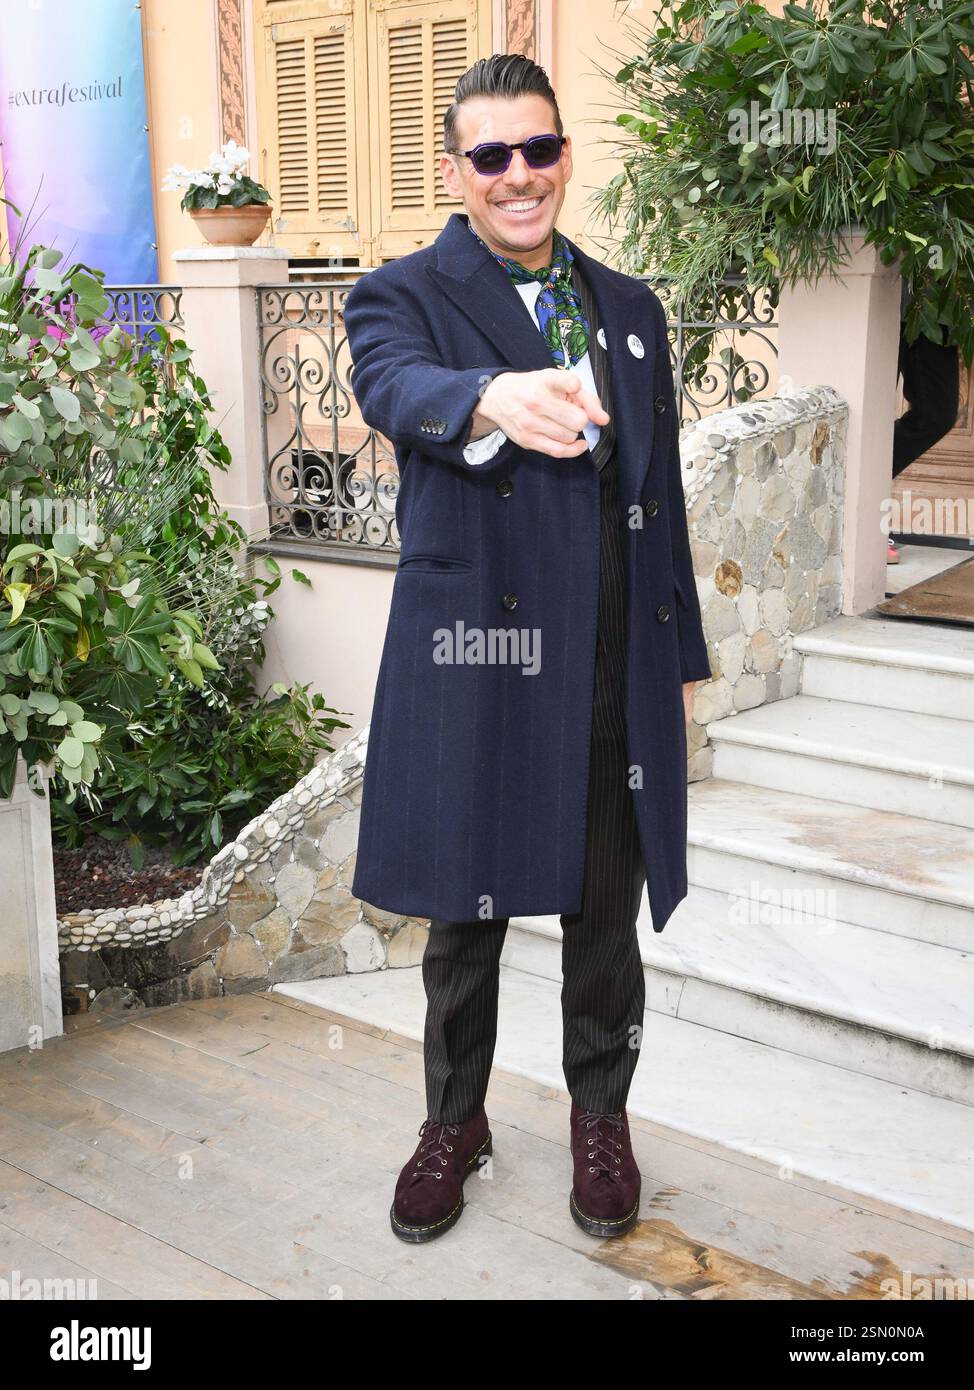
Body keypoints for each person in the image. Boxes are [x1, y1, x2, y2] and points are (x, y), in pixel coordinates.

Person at [342, 53, 710, 1245]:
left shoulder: (630, 311)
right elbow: (395, 386)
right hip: (483, 661)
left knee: (606, 915)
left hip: (609, 662)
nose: (517, 176)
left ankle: (599, 1118)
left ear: (563, 156)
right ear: (455, 170)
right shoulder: (401, 295)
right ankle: (454, 1122)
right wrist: (491, 399)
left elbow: (659, 507)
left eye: (537, 150)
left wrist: (683, 669)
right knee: (467, 919)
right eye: (489, 155)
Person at [888, 287, 960, 563]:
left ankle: (864, 491)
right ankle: (866, 523)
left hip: (944, 302)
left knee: (936, 415)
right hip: (888, 286)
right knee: (870, 413)